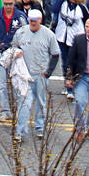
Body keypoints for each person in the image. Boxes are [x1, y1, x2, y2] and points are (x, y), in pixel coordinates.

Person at [11, 8, 59, 140]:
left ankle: (40, 127)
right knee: (23, 104)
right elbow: (13, 48)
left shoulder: (49, 35)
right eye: (31, 21)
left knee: (41, 102)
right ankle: (20, 131)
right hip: (25, 76)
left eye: (35, 21)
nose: (32, 23)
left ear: (40, 20)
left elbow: (55, 54)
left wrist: (47, 73)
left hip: (40, 75)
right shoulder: (21, 32)